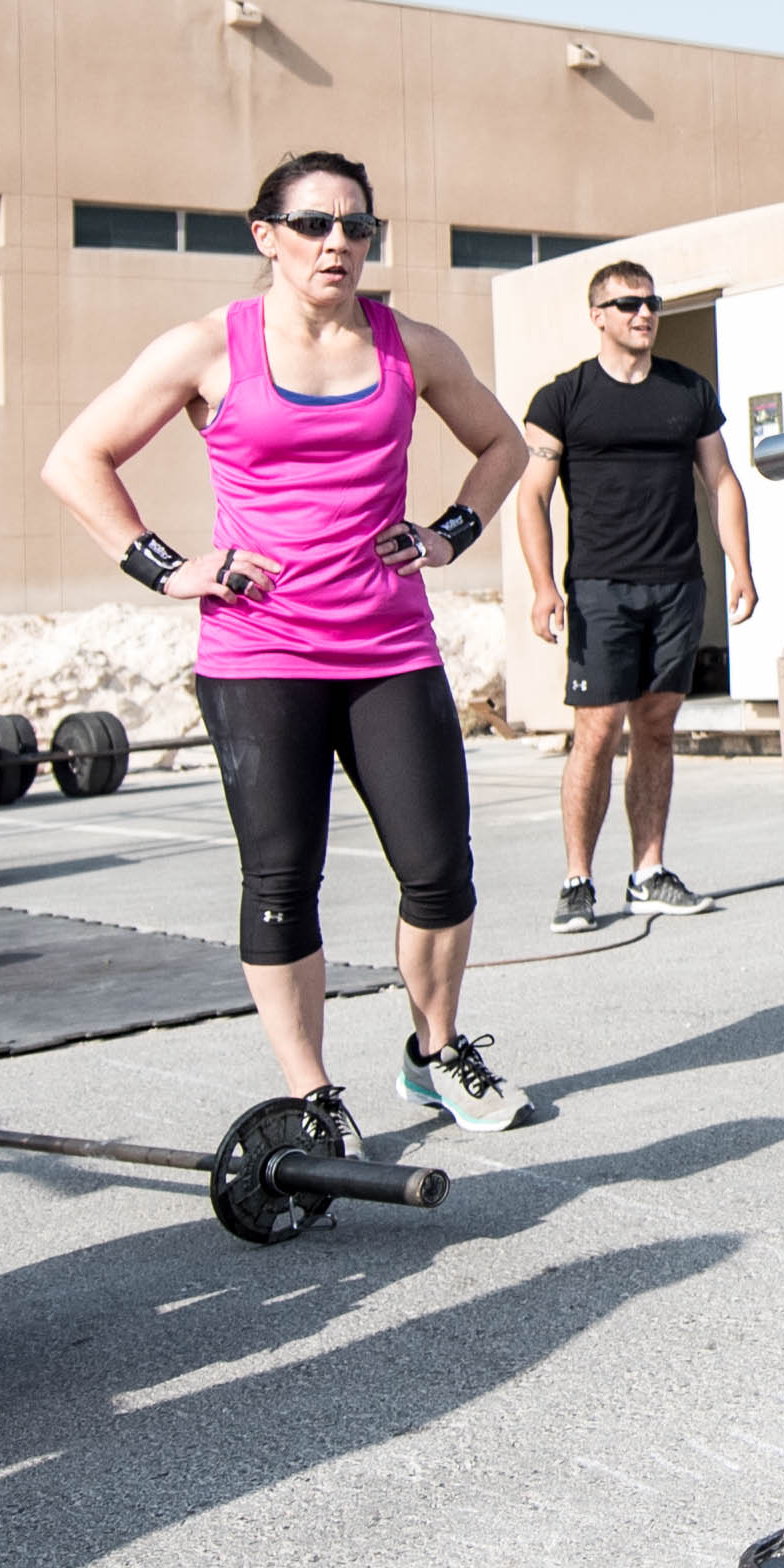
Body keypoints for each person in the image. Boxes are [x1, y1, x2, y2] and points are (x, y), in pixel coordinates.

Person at [43, 151, 536, 1140]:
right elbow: (75, 457)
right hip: (259, 654)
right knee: (281, 880)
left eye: (357, 227)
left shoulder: (411, 346)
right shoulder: (206, 348)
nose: (338, 244)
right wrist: (164, 564)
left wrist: (449, 533)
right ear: (265, 233)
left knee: (439, 869)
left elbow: (505, 446)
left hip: (389, 645)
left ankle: (435, 1050)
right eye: (314, 223)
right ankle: (313, 1093)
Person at [509, 254, 755, 923]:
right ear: (598, 317)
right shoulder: (563, 398)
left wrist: (741, 565)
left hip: (677, 585)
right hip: (599, 590)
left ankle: (649, 871)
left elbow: (722, 479)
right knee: (595, 733)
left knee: (657, 730)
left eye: (651, 302)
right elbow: (530, 498)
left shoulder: (688, 391)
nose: (645, 313)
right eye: (628, 304)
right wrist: (541, 587)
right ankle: (576, 882)